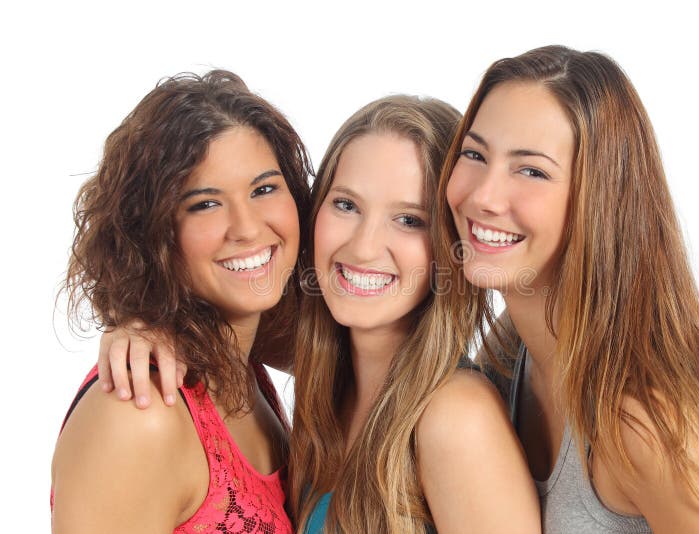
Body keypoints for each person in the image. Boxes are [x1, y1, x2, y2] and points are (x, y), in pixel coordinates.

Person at [93, 95, 541, 533]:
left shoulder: (457, 419)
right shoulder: (329, 383)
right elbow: (216, 314)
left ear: (453, 242)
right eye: (346, 205)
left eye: (409, 220)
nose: (364, 247)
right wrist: (142, 323)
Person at [441, 45, 699, 532]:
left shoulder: (647, 420)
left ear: (598, 198)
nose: (483, 195)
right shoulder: (513, 346)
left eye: (532, 170)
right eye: (474, 154)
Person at [51, 70, 312, 533]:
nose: (248, 228)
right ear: (153, 233)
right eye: (205, 204)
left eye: (264, 189)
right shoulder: (139, 414)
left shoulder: (247, 366)